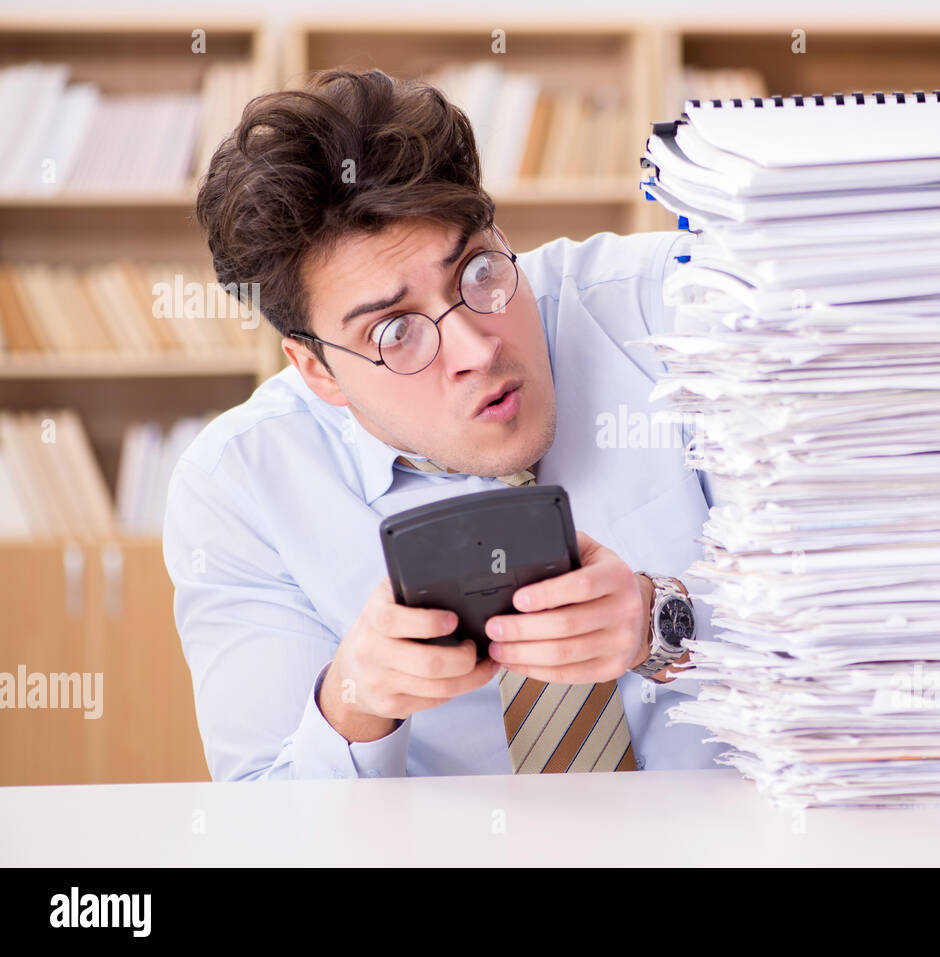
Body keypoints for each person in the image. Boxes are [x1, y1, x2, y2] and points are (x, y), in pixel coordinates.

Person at [163, 67, 729, 780]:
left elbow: (880, 620)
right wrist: (354, 701)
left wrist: (668, 621)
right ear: (317, 370)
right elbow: (267, 827)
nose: (477, 348)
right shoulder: (240, 486)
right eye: (396, 332)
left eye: (478, 273)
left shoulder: (679, 312)